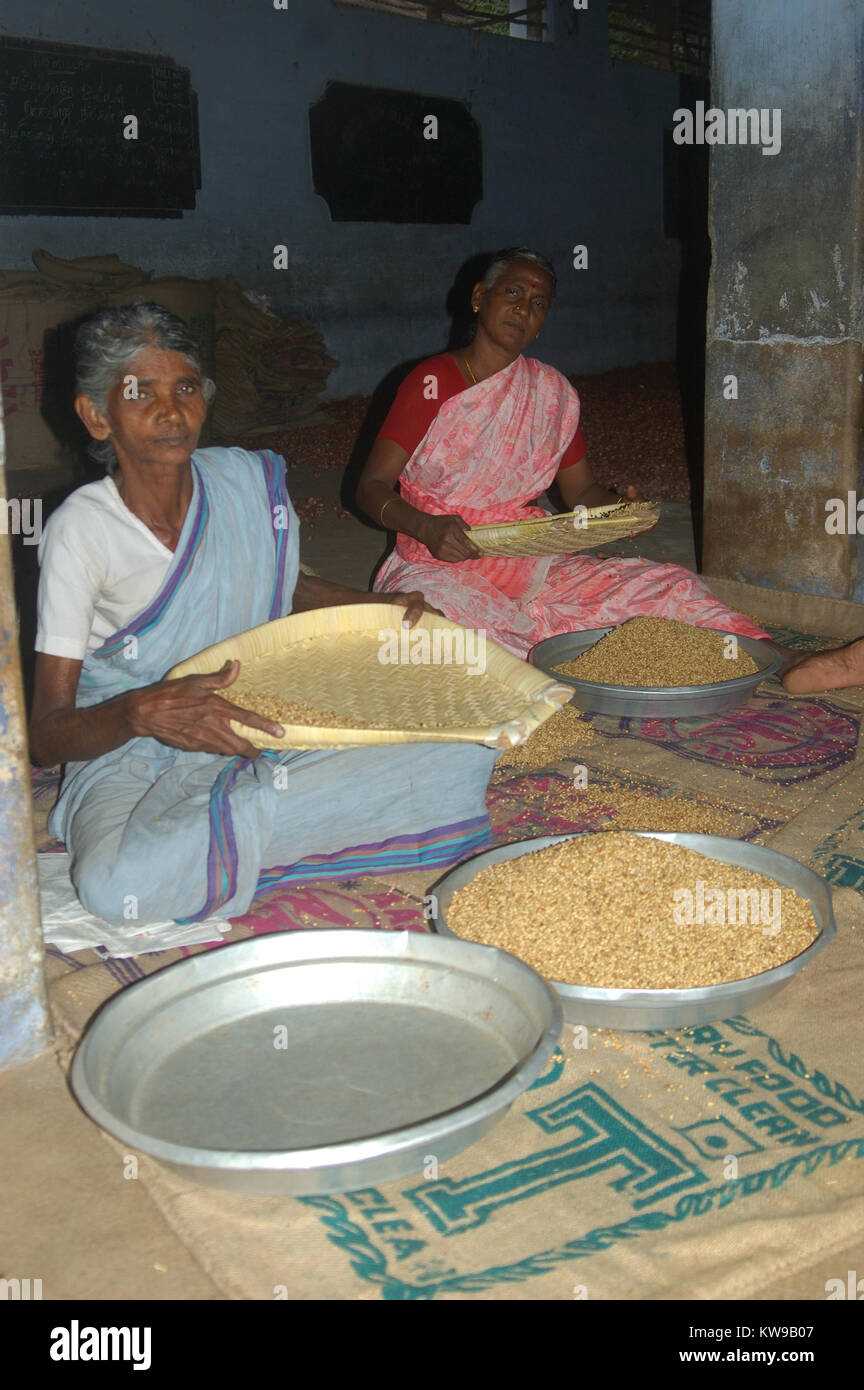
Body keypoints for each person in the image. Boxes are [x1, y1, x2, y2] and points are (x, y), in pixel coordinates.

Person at [28, 303, 498, 928]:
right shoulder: (81, 531)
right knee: (119, 884)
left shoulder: (242, 483)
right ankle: (256, 823)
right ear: (96, 415)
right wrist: (139, 712)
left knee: (466, 747)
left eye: (187, 387)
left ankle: (223, 833)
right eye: (141, 393)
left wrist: (380, 606)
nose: (172, 411)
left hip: (257, 719)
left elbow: (288, 586)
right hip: (127, 753)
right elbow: (46, 733)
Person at [357, 247, 793, 669]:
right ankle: (556, 670)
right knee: (437, 630)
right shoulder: (431, 381)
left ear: (543, 321)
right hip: (437, 566)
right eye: (512, 293)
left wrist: (618, 510)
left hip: (524, 563)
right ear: (478, 298)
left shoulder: (552, 395)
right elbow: (369, 487)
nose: (523, 308)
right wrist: (427, 526)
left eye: (538, 302)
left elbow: (580, 491)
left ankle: (777, 658)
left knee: (667, 585)